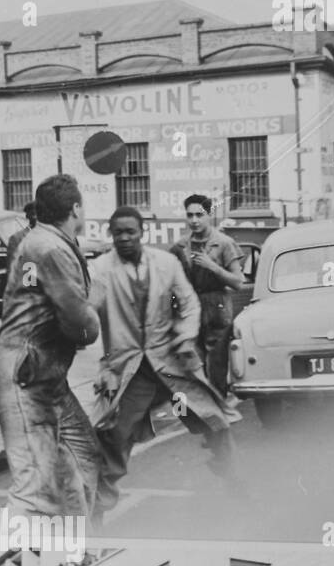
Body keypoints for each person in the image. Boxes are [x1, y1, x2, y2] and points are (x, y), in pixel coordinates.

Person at [90, 206, 235, 518]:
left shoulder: (166, 263)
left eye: (131, 232)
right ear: (111, 236)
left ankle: (233, 479)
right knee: (115, 437)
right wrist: (103, 366)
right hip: (131, 372)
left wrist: (185, 337)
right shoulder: (101, 270)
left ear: (142, 232)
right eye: (118, 233)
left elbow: (188, 303)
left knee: (213, 417)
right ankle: (97, 512)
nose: (125, 238)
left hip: (171, 365)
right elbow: (89, 314)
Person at [0, 174, 102, 518]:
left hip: (44, 376)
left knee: (83, 459)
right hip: (24, 378)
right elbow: (82, 325)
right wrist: (94, 310)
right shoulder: (49, 248)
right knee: (35, 488)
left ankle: (77, 553)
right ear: (76, 208)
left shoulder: (49, 241)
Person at [174, 195, 244, 405]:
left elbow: (238, 282)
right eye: (190, 215)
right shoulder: (180, 246)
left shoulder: (223, 243)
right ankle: (206, 420)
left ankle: (220, 413)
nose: (194, 220)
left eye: (199, 215)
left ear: (209, 215)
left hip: (217, 307)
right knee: (194, 366)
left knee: (216, 368)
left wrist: (212, 266)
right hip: (191, 309)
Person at [5, 201, 37, 280]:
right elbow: (12, 266)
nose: (36, 218)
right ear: (27, 216)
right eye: (33, 214)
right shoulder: (17, 238)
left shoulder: (50, 236)